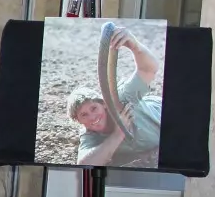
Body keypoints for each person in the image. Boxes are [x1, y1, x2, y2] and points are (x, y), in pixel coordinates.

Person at [68, 26, 162, 167]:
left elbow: (149, 69)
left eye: (94, 108)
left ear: (104, 104)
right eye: (84, 115)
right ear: (79, 121)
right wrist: (118, 135)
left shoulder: (121, 97)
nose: (92, 117)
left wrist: (134, 45)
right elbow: (84, 165)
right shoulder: (90, 136)